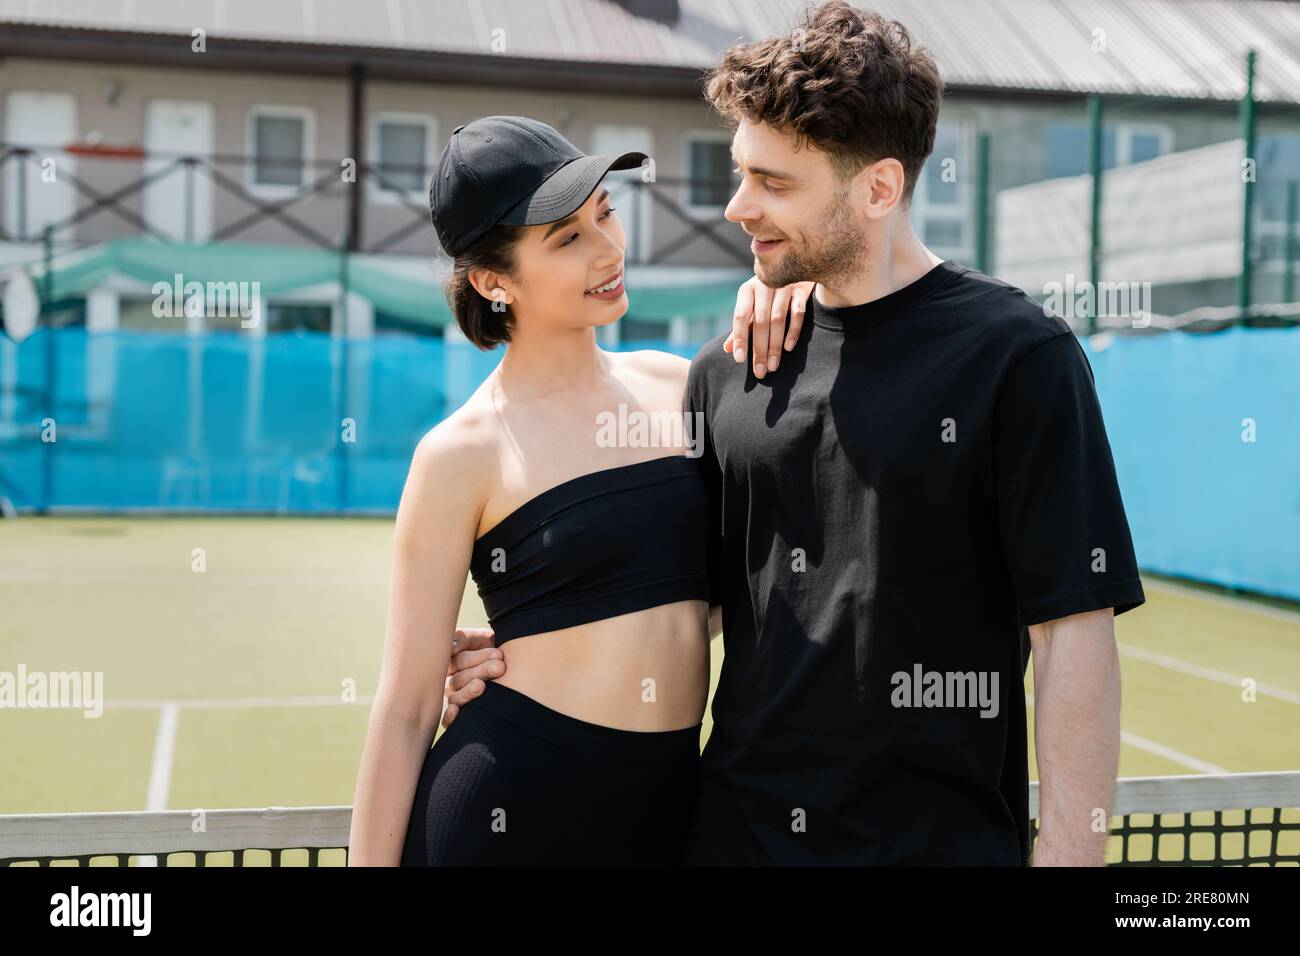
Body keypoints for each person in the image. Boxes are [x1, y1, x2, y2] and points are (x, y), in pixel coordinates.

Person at [445, 2, 1146, 866]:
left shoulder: (1019, 359)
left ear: (879, 188)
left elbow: (1072, 632)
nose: (739, 206)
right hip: (728, 845)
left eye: (776, 184)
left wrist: (1071, 859)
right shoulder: (729, 367)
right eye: (743, 172)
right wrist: (517, 660)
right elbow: (689, 607)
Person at [346, 115, 813, 866]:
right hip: (510, 808)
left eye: (604, 213)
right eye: (566, 238)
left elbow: (714, 597)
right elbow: (404, 711)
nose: (608, 251)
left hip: (670, 808)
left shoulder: (682, 386)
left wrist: (793, 289)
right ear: (494, 280)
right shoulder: (459, 453)